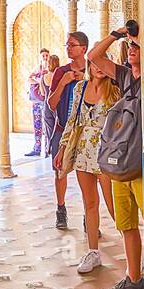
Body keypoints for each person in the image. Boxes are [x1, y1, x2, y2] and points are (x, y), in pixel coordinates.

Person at [89, 25, 144, 289]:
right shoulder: (123, 76)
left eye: (137, 47)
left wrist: (141, 39)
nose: (132, 50)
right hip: (121, 163)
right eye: (131, 48)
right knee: (126, 224)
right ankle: (133, 277)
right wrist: (118, 34)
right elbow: (95, 56)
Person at [53, 64, 119, 274]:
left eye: (103, 63)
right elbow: (73, 119)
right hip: (83, 150)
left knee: (113, 205)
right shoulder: (80, 88)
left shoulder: (114, 89)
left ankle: (135, 250)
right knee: (89, 203)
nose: (100, 68)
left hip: (106, 153)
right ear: (90, 66)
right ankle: (93, 252)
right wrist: (62, 148)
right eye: (95, 63)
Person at [46, 32, 90, 230]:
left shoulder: (93, 70)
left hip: (86, 131)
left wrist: (86, 79)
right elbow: (52, 104)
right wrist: (63, 83)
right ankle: (61, 209)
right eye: (67, 45)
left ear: (84, 48)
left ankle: (89, 214)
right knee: (60, 171)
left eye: (72, 45)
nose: (68, 48)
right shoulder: (60, 72)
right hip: (62, 129)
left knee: (87, 174)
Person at [24, 48, 50, 156]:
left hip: (45, 101)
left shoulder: (50, 68)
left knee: (47, 126)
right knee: (37, 124)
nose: (44, 57)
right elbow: (29, 79)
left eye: (46, 55)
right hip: (36, 100)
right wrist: (38, 81)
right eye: (43, 55)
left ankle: (47, 149)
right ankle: (37, 148)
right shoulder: (37, 68)